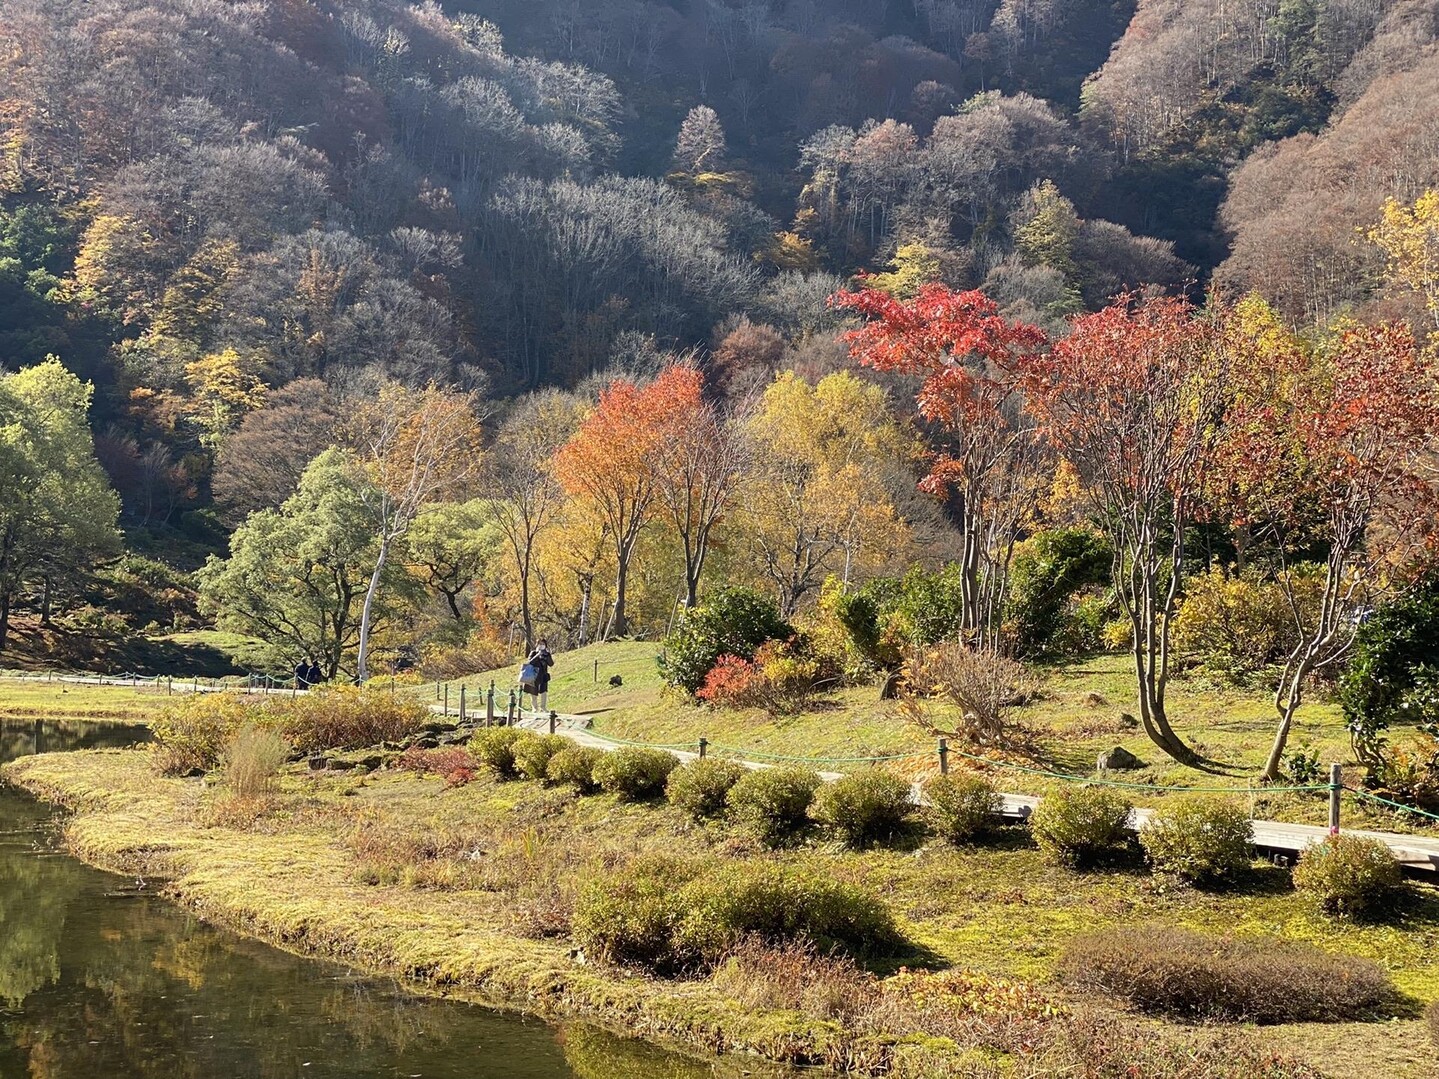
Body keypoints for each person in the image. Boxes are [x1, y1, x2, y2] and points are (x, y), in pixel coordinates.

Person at [523, 639, 554, 714]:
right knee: (533, 692)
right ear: (537, 645)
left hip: (543, 675)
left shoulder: (547, 654)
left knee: (544, 691)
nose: (541, 645)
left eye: (543, 644)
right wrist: (538, 655)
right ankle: (534, 708)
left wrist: (546, 656)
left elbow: (551, 664)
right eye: (540, 644)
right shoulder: (533, 653)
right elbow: (530, 662)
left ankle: (543, 707)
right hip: (534, 675)